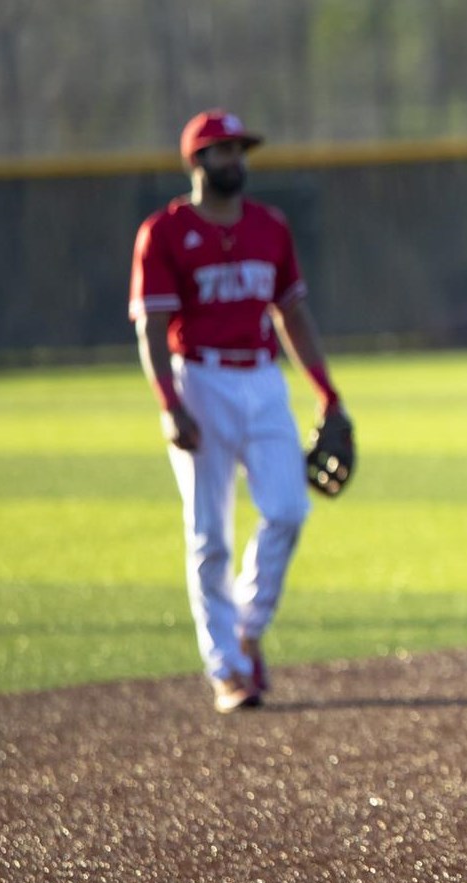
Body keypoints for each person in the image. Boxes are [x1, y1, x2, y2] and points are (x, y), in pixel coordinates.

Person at [129, 110, 347, 713]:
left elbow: (293, 314)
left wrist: (329, 394)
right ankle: (226, 666)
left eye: (240, 150)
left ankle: (248, 626)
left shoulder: (269, 228)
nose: (235, 161)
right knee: (209, 538)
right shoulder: (165, 232)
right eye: (222, 151)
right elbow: (150, 328)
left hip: (262, 378)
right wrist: (170, 405)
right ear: (195, 161)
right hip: (199, 378)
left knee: (287, 509)